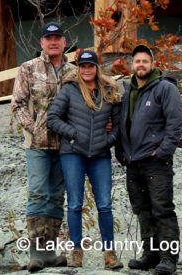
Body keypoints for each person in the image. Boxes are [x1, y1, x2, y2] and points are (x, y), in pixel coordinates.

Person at [47, 49, 123, 270]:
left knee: (105, 204)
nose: (87, 70)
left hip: (100, 155)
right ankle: (76, 252)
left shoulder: (109, 91)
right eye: (83, 66)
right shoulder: (69, 90)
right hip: (73, 153)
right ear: (78, 68)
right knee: (75, 204)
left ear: (97, 68)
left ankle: (110, 254)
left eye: (91, 66)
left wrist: (108, 140)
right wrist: (73, 133)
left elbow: (117, 125)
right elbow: (53, 118)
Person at [11, 21, 77, 271]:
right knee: (38, 193)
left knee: (57, 197)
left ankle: (51, 252)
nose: (53, 42)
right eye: (48, 38)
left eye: (57, 38)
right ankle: (36, 253)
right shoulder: (28, 68)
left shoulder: (75, 71)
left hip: (66, 146)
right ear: (42, 43)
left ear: (63, 42)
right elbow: (17, 104)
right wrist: (34, 127)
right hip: (37, 145)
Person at [116, 43, 182, 274]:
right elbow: (121, 124)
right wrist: (121, 153)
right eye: (137, 61)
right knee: (142, 210)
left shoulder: (165, 88)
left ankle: (168, 258)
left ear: (152, 64)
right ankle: (150, 254)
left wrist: (163, 151)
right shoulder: (128, 91)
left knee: (162, 208)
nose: (141, 64)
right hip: (133, 163)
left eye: (145, 61)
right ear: (132, 65)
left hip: (156, 161)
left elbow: (176, 123)